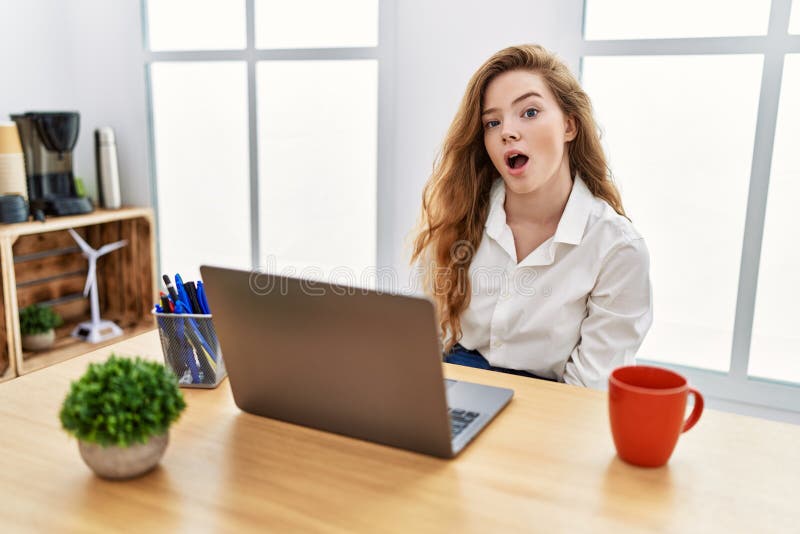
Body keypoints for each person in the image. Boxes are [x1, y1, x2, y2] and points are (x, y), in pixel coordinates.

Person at [410, 44, 652, 389]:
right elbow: (425, 340)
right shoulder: (458, 216)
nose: (507, 130)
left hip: (552, 414)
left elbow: (588, 392)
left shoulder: (618, 248)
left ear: (570, 125)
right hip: (451, 391)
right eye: (493, 122)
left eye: (529, 112)